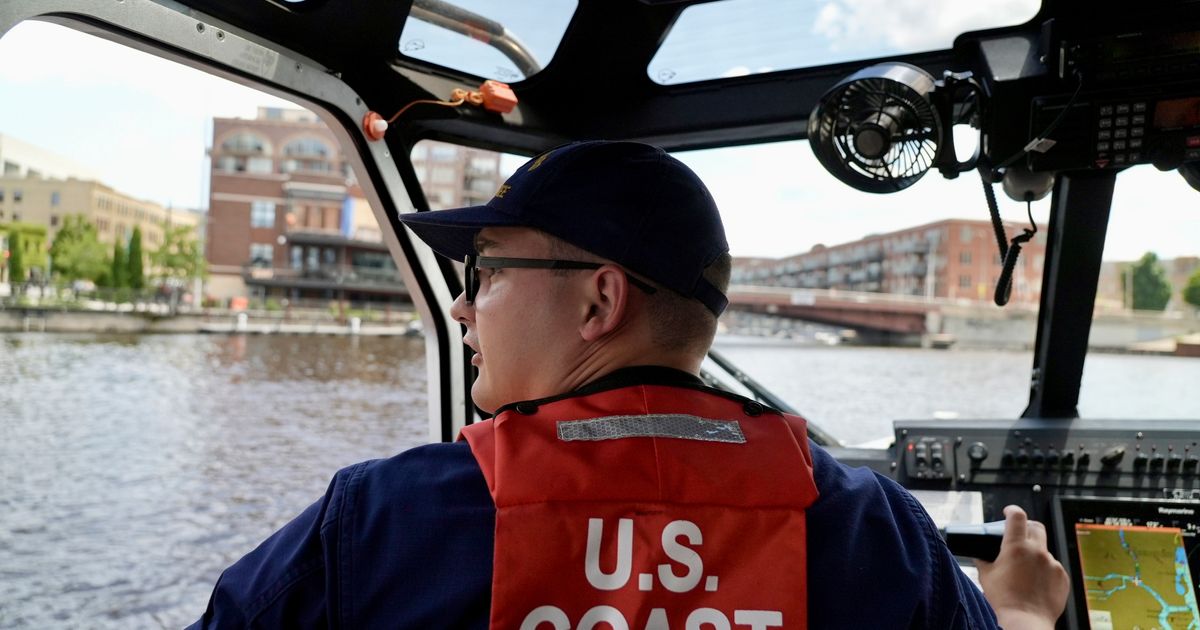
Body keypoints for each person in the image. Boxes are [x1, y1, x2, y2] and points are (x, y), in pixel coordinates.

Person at [190, 140, 1068, 629]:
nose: (462, 309)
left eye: (486, 272)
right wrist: (1023, 612)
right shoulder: (871, 530)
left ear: (599, 299)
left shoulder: (385, 522)